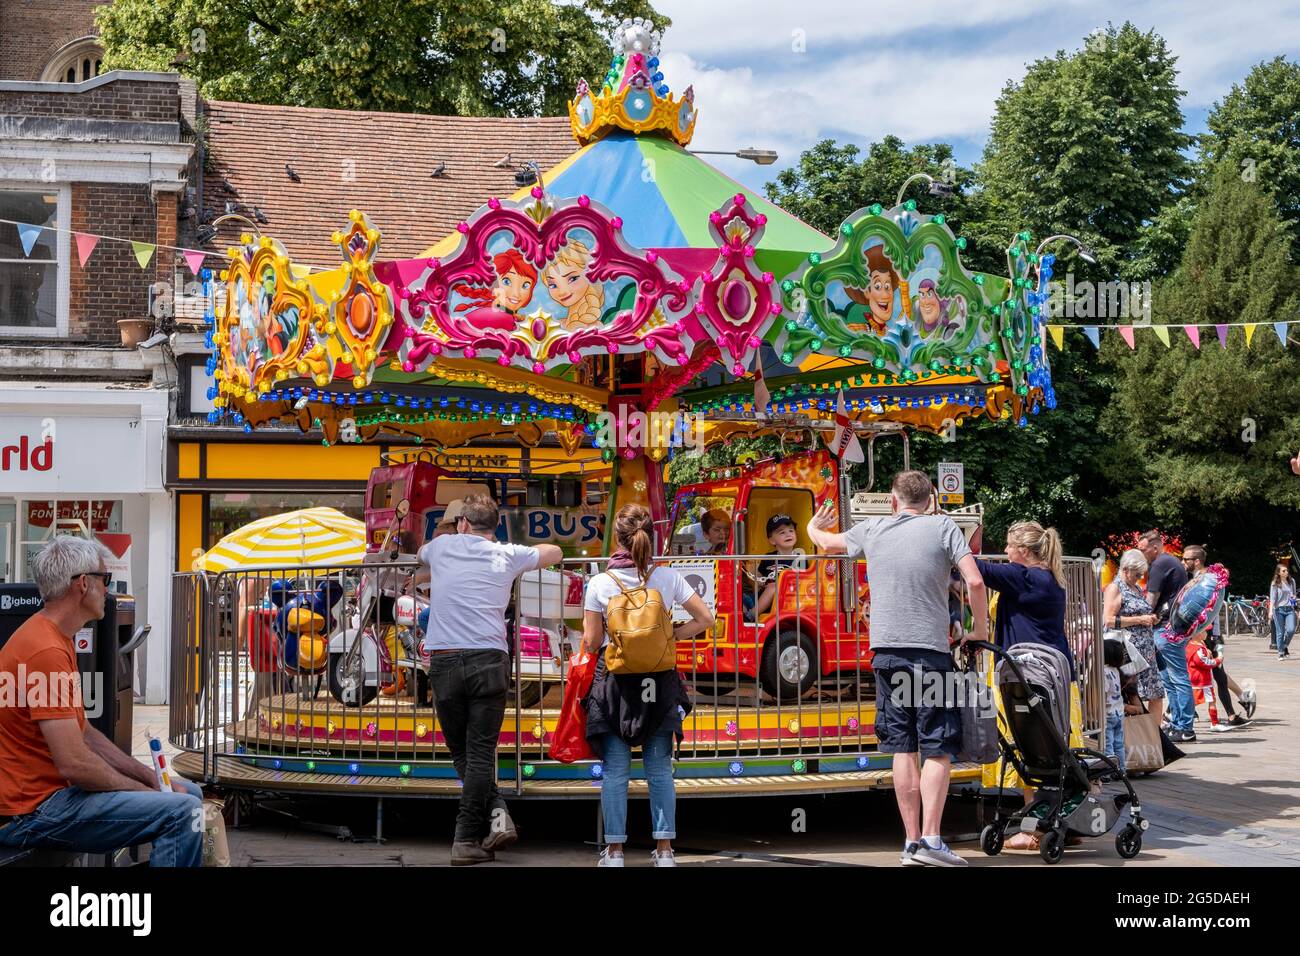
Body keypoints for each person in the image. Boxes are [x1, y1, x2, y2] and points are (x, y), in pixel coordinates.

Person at [808, 470, 988, 867]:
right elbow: (974, 582)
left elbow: (825, 542)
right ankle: (932, 839)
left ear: (892, 500)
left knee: (902, 747)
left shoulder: (873, 529)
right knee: (937, 746)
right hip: (930, 654)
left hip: (886, 653)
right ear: (931, 499)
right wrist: (979, 629)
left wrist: (810, 526)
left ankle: (910, 844)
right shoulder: (942, 527)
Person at [0, 536, 204, 866]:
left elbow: (85, 733)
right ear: (83, 584)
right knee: (182, 811)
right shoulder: (46, 650)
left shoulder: (51, 636)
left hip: (48, 798)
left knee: (188, 793)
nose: (107, 591)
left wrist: (148, 777)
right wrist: (148, 794)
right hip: (34, 811)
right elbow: (75, 764)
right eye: (104, 579)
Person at [417, 495, 563, 865]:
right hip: (488, 659)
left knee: (463, 753)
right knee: (480, 753)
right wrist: (515, 550)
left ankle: (467, 838)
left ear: (463, 523)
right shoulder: (507, 553)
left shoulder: (442, 547)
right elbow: (555, 552)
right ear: (494, 527)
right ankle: (491, 815)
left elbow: (420, 555)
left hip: (446, 659)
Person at [582, 505, 714, 867]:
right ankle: (666, 852)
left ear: (617, 538)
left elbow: (592, 642)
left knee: (616, 770)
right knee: (659, 769)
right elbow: (706, 618)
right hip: (659, 683)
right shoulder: (666, 577)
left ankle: (615, 852)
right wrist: (671, 635)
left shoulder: (600, 583)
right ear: (650, 538)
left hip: (615, 685)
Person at [975, 521, 1081, 850]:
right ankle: (1068, 822)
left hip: (1038, 681)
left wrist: (947, 537)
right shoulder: (1043, 578)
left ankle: (1034, 830)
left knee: (1036, 753)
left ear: (1023, 551)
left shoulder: (1030, 579)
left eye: (1008, 547)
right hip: (1050, 680)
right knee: (1058, 753)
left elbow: (976, 567)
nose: (1005, 553)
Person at [1182, 546, 1251, 724]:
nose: (1183, 562)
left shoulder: (1206, 580)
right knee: (1212, 673)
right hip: (1205, 633)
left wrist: (1205, 633)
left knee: (1211, 673)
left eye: (1186, 559)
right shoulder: (1202, 578)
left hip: (1206, 633)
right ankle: (1231, 713)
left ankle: (1230, 713)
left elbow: (1206, 609)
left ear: (1196, 561)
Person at [1139, 530, 1196, 743]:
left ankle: (1185, 727)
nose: (1141, 553)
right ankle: (1177, 724)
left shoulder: (1159, 564)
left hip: (1166, 628)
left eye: (1143, 549)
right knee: (1169, 678)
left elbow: (1150, 601)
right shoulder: (1169, 561)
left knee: (1177, 677)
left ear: (1154, 547)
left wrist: (1137, 617)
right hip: (1172, 627)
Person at [1103, 549, 1164, 726]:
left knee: (1156, 694)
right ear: (1126, 569)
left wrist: (1150, 618)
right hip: (1130, 652)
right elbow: (1108, 620)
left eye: (1141, 574)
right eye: (1137, 574)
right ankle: (1142, 738)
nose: (1139, 578)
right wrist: (1140, 619)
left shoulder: (1135, 587)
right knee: (1133, 696)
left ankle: (1156, 739)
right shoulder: (1115, 587)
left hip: (1146, 651)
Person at [748, 514, 802, 620]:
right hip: (765, 597)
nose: (788, 534)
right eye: (782, 532)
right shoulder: (768, 557)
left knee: (773, 587)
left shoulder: (799, 558)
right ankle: (750, 611)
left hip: (787, 598)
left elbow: (802, 581)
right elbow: (757, 577)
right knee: (741, 598)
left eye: (791, 531)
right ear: (772, 540)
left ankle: (752, 614)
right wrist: (759, 583)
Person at [1185, 632, 1228, 732]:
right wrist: (1218, 660)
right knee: (1207, 701)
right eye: (1204, 631)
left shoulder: (1194, 644)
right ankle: (1214, 723)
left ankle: (1213, 722)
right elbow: (1204, 662)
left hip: (1198, 679)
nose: (1207, 633)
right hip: (1201, 680)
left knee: (1199, 702)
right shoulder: (1198, 648)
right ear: (1198, 633)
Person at [1102, 638, 1128, 775]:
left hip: (1108, 713)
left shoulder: (1104, 672)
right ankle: (1121, 770)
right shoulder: (1116, 671)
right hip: (1119, 711)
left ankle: (1107, 771)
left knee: (1107, 744)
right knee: (1119, 744)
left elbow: (1104, 692)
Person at [1268, 562, 1296, 661]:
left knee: (1291, 630)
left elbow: (1293, 595)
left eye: (1287, 570)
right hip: (1278, 610)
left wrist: (1294, 607)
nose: (1286, 572)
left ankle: (1284, 646)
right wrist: (1270, 611)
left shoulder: (1292, 581)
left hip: (1289, 609)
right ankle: (1280, 653)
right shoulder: (1275, 583)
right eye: (1284, 571)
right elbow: (1272, 598)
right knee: (1280, 632)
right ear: (1279, 573)